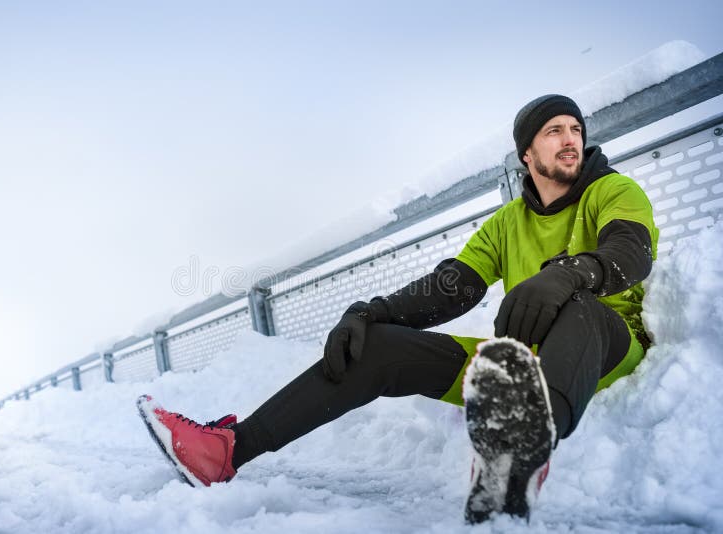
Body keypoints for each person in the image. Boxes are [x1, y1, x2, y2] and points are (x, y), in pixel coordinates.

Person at [137, 94, 659, 523]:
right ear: (527, 152)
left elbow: (630, 253)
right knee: (378, 349)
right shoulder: (508, 222)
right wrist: (369, 312)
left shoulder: (613, 190)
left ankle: (520, 451)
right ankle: (227, 450)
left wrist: (570, 274)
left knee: (581, 308)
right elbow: (451, 287)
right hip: (518, 368)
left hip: (602, 342)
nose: (571, 139)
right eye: (554, 131)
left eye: (575, 128)